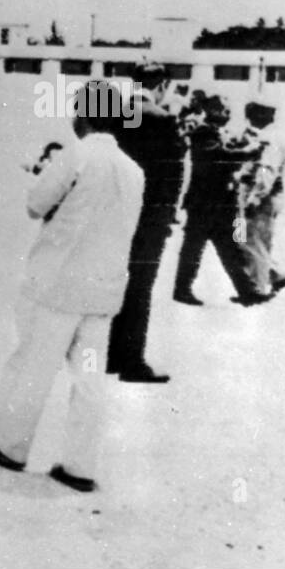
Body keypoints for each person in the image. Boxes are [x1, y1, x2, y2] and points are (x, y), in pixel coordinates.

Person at [0, 81, 145, 493]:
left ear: (84, 116)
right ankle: (80, 467)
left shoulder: (76, 155)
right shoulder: (133, 169)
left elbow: (36, 204)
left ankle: (11, 447)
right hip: (104, 288)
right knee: (90, 380)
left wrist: (43, 177)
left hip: (58, 283)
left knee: (33, 366)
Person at [106, 63, 185, 383]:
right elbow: (172, 178)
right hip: (150, 216)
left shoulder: (116, 116)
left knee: (115, 281)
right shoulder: (164, 120)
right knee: (140, 287)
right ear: (162, 84)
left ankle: (110, 355)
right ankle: (131, 361)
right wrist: (166, 218)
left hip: (116, 214)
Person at [172, 95, 266, 305]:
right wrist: (247, 152)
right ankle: (182, 289)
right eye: (224, 111)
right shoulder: (202, 133)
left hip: (220, 203)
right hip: (204, 204)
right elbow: (220, 159)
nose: (228, 114)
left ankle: (246, 291)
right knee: (193, 250)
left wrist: (242, 149)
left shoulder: (215, 133)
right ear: (211, 111)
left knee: (230, 249)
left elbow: (225, 158)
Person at [232, 99, 285, 301]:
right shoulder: (273, 136)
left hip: (261, 196)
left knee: (249, 241)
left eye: (253, 113)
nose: (249, 117)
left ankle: (259, 287)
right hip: (263, 195)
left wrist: (254, 199)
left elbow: (267, 172)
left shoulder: (271, 139)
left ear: (265, 115)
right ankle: (274, 274)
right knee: (253, 239)